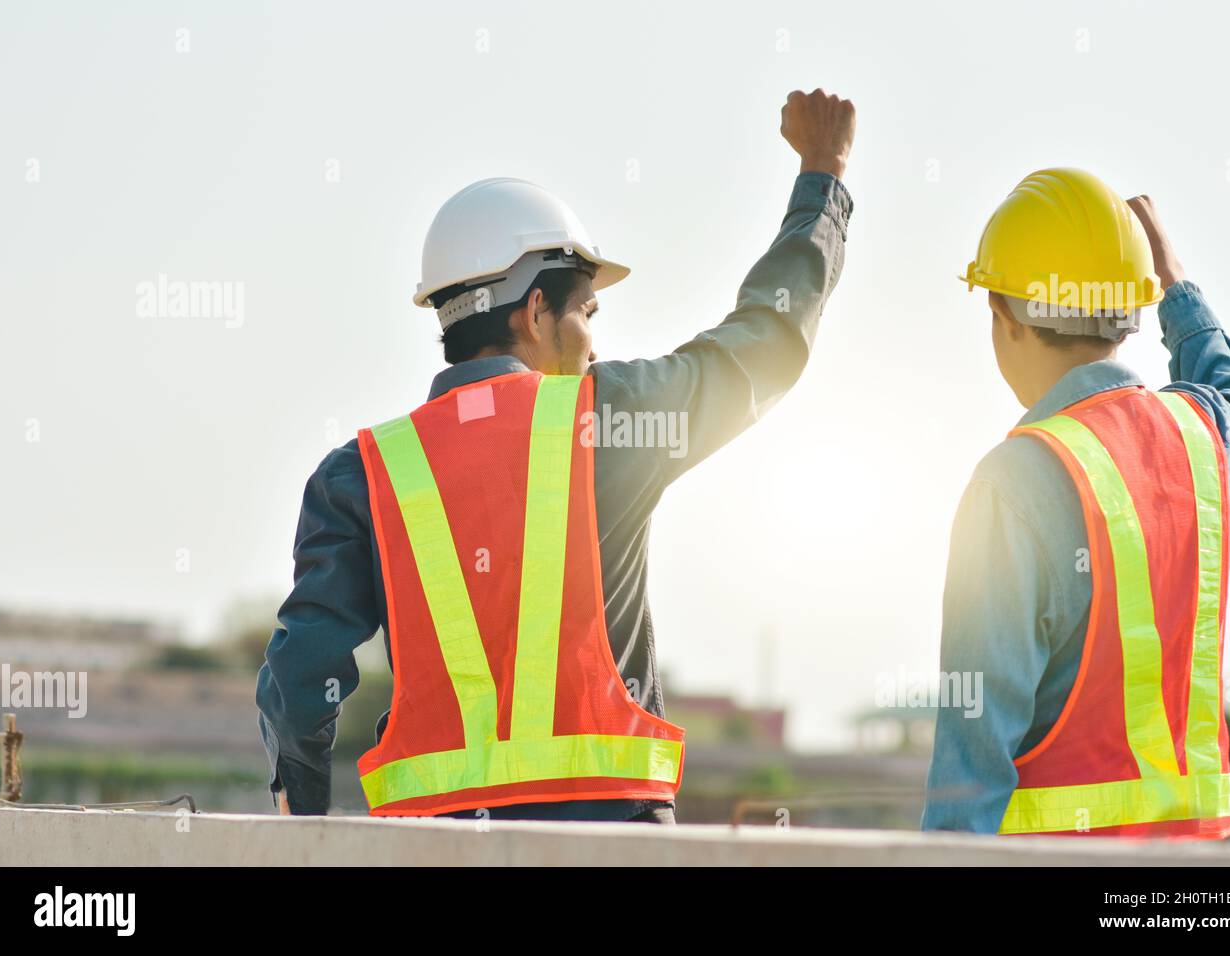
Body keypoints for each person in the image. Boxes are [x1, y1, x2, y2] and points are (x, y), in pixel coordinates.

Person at [256, 89, 856, 821]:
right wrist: (822, 179)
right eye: (586, 312)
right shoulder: (607, 421)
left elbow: (299, 678)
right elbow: (764, 344)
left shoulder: (362, 473)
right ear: (535, 312)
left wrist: (304, 821)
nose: (592, 341)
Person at [923, 168, 1230, 837]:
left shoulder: (1013, 483)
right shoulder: (1203, 442)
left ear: (1000, 312)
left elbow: (972, 767)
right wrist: (1176, 286)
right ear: (1130, 316)